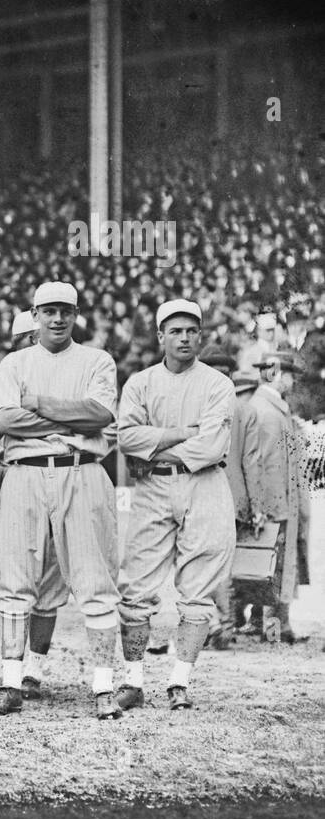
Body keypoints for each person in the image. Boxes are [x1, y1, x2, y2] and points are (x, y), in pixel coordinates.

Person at [0, 282, 123, 720]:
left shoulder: (97, 359)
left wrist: (40, 405)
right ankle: (10, 683)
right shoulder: (15, 362)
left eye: (65, 310)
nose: (57, 319)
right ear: (34, 314)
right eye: (48, 311)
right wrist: (69, 418)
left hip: (82, 472)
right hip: (24, 475)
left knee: (94, 579)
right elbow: (5, 419)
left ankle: (103, 687)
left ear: (76, 313)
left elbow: (101, 414)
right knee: (13, 579)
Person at [115, 301, 235, 711]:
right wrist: (182, 434)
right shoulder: (140, 382)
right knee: (135, 587)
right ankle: (132, 681)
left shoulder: (218, 384)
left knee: (198, 588)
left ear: (200, 336)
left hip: (205, 484)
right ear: (161, 336)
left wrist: (155, 445)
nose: (184, 338)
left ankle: (179, 681)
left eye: (191, 331)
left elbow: (212, 445)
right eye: (176, 330)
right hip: (152, 489)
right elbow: (126, 438)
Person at [0, 308, 69, 701]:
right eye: (28, 340)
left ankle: (32, 671)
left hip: (51, 483)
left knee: (48, 574)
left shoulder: (65, 378)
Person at [235, 351, 307, 643]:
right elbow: (257, 462)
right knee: (271, 569)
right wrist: (261, 506)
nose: (291, 381)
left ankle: (268, 625)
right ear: (275, 373)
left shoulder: (268, 407)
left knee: (272, 568)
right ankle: (273, 628)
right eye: (288, 374)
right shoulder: (265, 410)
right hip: (274, 504)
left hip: (277, 501)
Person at [196, 344, 259, 649]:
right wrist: (255, 505)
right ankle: (224, 623)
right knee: (225, 566)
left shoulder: (193, 405)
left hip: (197, 493)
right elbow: (252, 462)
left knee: (197, 563)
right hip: (233, 497)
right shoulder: (245, 410)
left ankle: (210, 623)